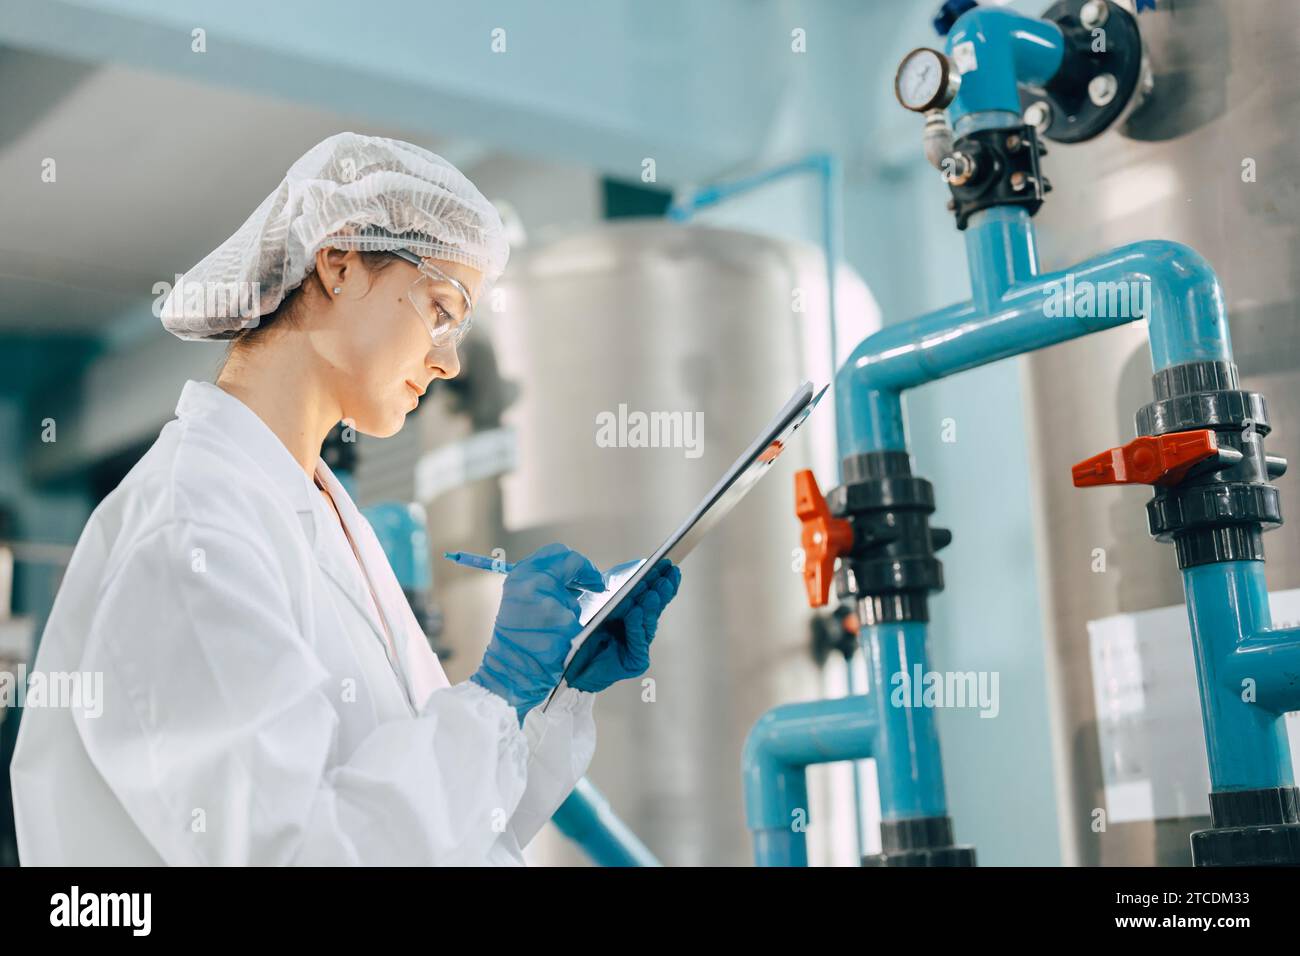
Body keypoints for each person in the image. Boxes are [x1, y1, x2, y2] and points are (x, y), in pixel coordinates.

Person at [10, 132, 681, 866]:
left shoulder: (322, 515)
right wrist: (493, 692)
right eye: (442, 306)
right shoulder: (192, 528)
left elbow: (442, 831)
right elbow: (303, 852)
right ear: (338, 264)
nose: (450, 358)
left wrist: (543, 696)